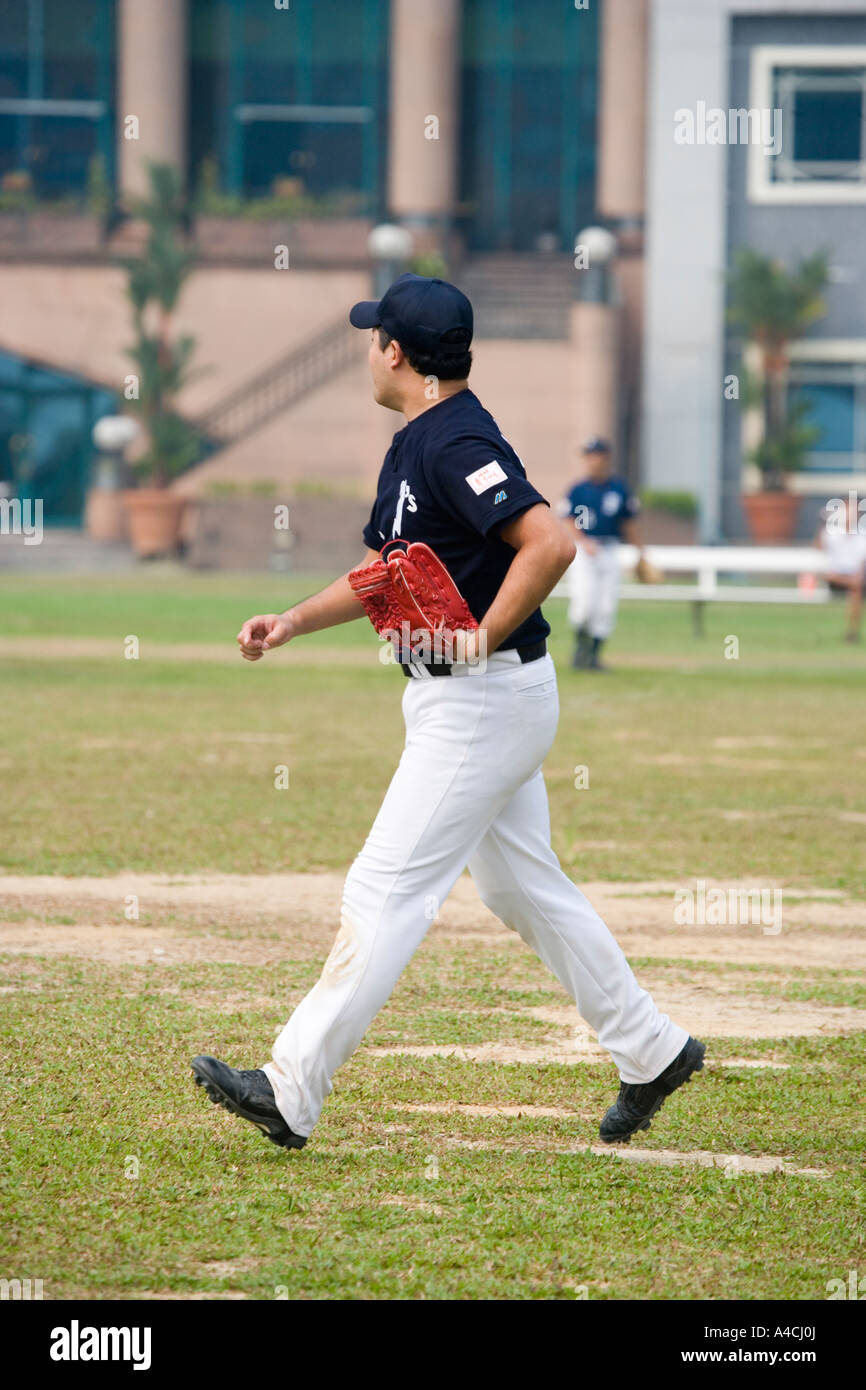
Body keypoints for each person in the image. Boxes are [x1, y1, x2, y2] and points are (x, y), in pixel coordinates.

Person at [191, 274, 704, 1152]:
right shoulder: (416, 441)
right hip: (468, 702)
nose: (368, 349)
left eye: (373, 336)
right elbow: (382, 579)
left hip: (484, 700)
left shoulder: (456, 438)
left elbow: (550, 541)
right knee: (520, 886)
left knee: (385, 888)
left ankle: (289, 1086)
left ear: (397, 352)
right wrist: (292, 623)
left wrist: (482, 633)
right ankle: (652, 1050)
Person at [557, 438, 644, 670]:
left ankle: (594, 656)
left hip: (610, 549)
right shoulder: (578, 489)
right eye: (588, 456)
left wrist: (641, 553)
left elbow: (629, 523)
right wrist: (583, 541)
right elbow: (567, 519)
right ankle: (580, 650)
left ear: (606, 458)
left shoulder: (619, 489)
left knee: (605, 606)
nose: (591, 461)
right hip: (586, 552)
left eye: (595, 455)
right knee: (584, 604)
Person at [815, 496, 866, 642]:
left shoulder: (862, 536)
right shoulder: (831, 533)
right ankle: (852, 633)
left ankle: (851, 633)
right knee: (840, 579)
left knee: (856, 588)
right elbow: (818, 549)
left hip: (855, 580)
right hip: (835, 579)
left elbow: (862, 567)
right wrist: (822, 523)